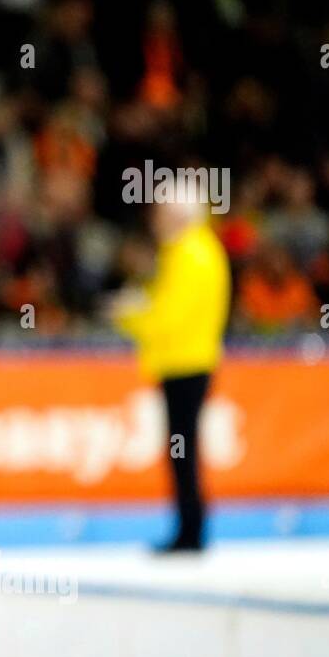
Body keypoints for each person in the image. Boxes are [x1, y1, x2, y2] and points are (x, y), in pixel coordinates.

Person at [109, 190, 231, 553]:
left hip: (186, 363)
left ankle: (190, 532)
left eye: (162, 213)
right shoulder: (190, 250)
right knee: (183, 450)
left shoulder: (191, 254)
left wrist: (128, 314)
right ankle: (189, 528)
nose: (156, 220)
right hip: (185, 361)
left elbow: (169, 317)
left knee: (183, 451)